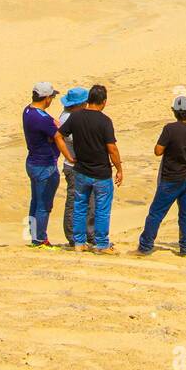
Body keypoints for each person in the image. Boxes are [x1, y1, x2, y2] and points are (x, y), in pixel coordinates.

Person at [137, 95, 186, 257]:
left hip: (171, 178)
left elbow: (158, 151)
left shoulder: (170, 129)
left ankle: (145, 246)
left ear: (175, 113)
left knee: (156, 213)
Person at [60, 84, 122, 254]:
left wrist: (68, 156)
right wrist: (119, 168)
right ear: (104, 102)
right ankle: (101, 244)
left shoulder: (75, 117)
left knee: (80, 206)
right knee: (102, 209)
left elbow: (58, 135)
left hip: (81, 170)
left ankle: (79, 242)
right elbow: (112, 148)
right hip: (100, 173)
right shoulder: (104, 121)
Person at [22, 82, 74, 248]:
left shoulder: (28, 110)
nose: (52, 100)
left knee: (36, 201)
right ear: (46, 98)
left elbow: (53, 129)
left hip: (33, 162)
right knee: (44, 204)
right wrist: (69, 157)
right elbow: (59, 137)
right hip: (44, 165)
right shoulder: (42, 119)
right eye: (51, 97)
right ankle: (39, 239)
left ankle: (34, 234)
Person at [58, 86, 96, 248]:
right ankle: (73, 237)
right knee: (75, 202)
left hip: (83, 165)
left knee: (89, 201)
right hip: (73, 166)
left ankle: (89, 234)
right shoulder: (67, 118)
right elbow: (77, 140)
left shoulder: (73, 116)